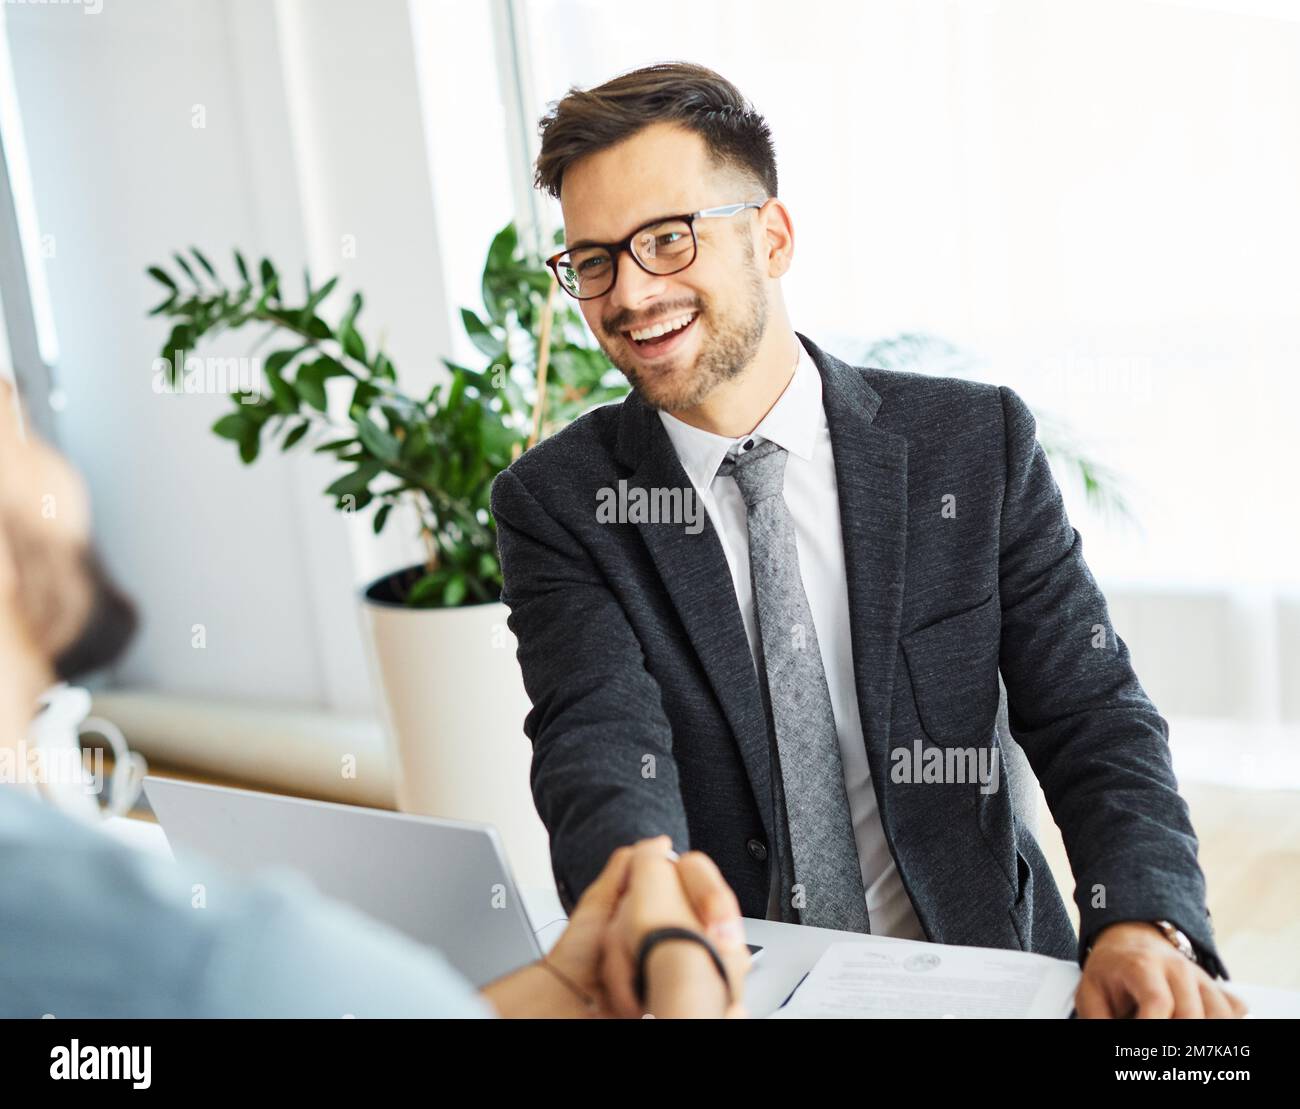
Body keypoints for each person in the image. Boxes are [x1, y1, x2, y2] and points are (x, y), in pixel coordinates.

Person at [489, 61, 1247, 1019]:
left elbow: (1092, 715)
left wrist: (1141, 922)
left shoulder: (972, 446)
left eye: (668, 241)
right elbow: (595, 736)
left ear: (772, 237)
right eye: (594, 261)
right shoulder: (559, 502)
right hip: (728, 986)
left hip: (987, 971)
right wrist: (640, 895)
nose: (630, 294)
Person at [0, 380, 749, 1018]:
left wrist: (557, 982)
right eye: (15, 420)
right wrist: (684, 966)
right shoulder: (228, 959)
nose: (55, 465)